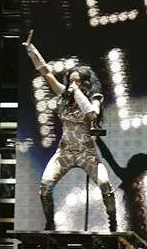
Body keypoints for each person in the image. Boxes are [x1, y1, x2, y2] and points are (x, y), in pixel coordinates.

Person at [24, 30, 118, 232]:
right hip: (65, 152)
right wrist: (31, 50)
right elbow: (46, 72)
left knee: (105, 184)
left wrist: (77, 94)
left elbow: (92, 115)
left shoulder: (94, 98)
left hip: (86, 153)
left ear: (85, 83)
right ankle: (50, 222)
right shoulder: (63, 94)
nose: (72, 84)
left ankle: (113, 221)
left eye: (77, 81)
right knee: (45, 186)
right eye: (71, 81)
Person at [96, 138, 147, 249]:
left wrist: (97, 140)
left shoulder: (130, 178)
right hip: (143, 227)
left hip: (134, 226)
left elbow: (109, 159)